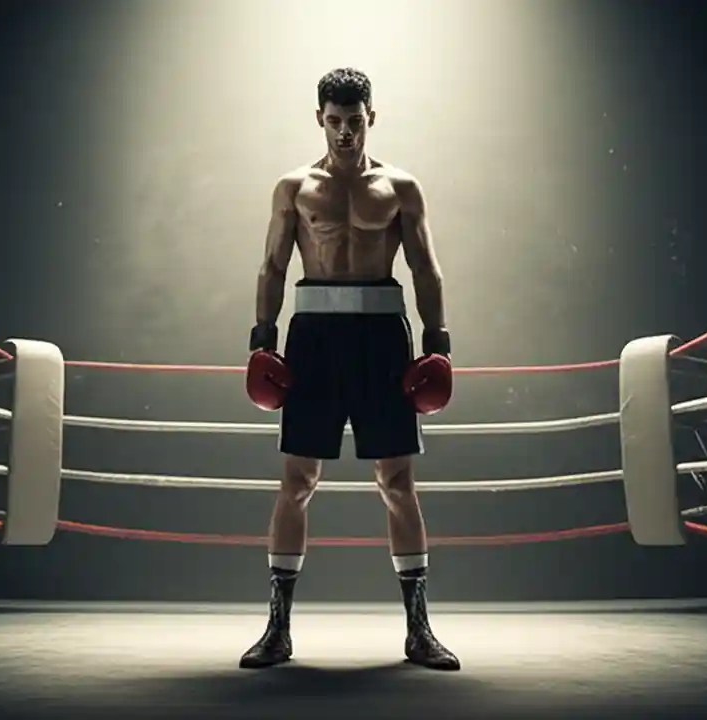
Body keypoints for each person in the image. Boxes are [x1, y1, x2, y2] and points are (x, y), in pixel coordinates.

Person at [240, 67, 459, 671]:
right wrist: (262, 340)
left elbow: (425, 268)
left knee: (397, 481)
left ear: (371, 117)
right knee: (297, 479)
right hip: (313, 339)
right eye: (334, 121)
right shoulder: (294, 187)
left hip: (382, 339)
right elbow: (272, 266)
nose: (344, 132)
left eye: (354, 121)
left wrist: (438, 345)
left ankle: (419, 631)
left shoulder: (400, 187)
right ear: (320, 119)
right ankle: (277, 630)